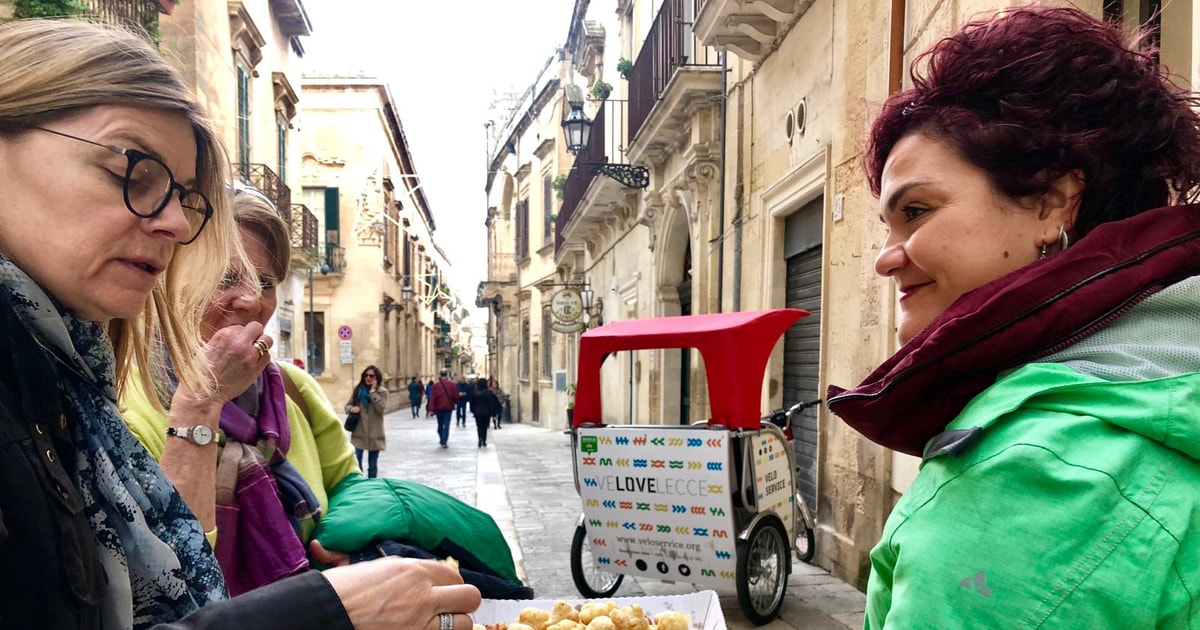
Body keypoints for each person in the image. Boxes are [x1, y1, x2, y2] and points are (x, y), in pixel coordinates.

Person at [0, 18, 478, 629]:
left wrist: (339, 544)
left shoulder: (65, 385)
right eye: (132, 171)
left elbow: (343, 482)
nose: (171, 221)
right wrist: (328, 609)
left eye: (183, 198)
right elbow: (182, 558)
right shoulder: (114, 398)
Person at [826, 7, 1200, 628]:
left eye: (916, 211)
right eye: (886, 226)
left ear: (1053, 203)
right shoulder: (1160, 383)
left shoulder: (1038, 475)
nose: (885, 260)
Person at [346, 365, 388, 478]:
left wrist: (373, 393)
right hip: (359, 432)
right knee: (357, 460)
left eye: (371, 376)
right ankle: (360, 484)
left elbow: (381, 408)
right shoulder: (358, 391)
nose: (368, 378)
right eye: (366, 375)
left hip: (375, 434)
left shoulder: (382, 392)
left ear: (376, 378)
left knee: (373, 465)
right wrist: (352, 409)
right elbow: (347, 406)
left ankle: (372, 485)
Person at [429, 369, 458, 448]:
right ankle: (444, 441)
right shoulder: (452, 384)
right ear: (447, 374)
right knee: (447, 424)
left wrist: (431, 409)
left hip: (439, 408)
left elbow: (432, 398)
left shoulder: (436, 385)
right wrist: (454, 402)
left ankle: (442, 439)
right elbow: (455, 396)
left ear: (440, 374)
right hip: (448, 407)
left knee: (440, 424)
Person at [469, 378, 500, 448]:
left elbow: (472, 403)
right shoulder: (488, 393)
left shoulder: (474, 393)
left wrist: (473, 410)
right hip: (486, 413)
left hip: (477, 412)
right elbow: (492, 403)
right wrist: (493, 413)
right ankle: (484, 440)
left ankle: (479, 437)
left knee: (479, 426)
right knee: (484, 427)